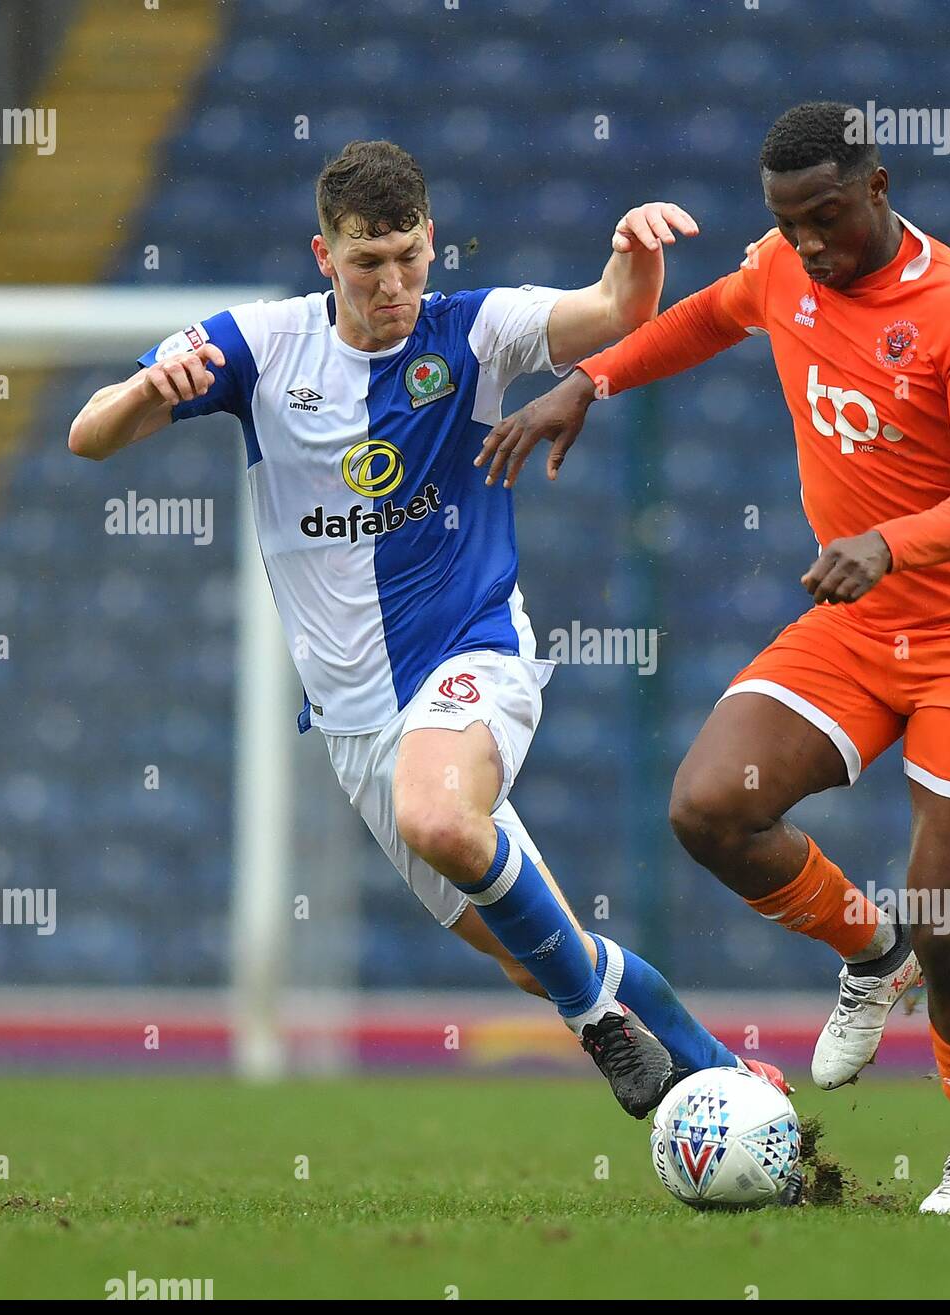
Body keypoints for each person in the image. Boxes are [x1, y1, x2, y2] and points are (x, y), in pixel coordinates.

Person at [68, 139, 788, 1119]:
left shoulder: (474, 331)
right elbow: (89, 435)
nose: (394, 283)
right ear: (325, 257)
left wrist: (638, 251)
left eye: (409, 256)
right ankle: (729, 1079)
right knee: (546, 959)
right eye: (368, 264)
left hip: (472, 657)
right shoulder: (260, 347)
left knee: (443, 819)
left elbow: (614, 312)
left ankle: (605, 1029)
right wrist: (149, 389)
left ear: (432, 244)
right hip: (357, 727)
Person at [474, 102, 950, 1209]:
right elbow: (705, 316)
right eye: (788, 221)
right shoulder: (781, 266)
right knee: (710, 807)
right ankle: (869, 951)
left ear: (878, 187)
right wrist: (587, 382)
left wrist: (885, 543)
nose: (807, 243)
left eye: (827, 216)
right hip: (856, 623)